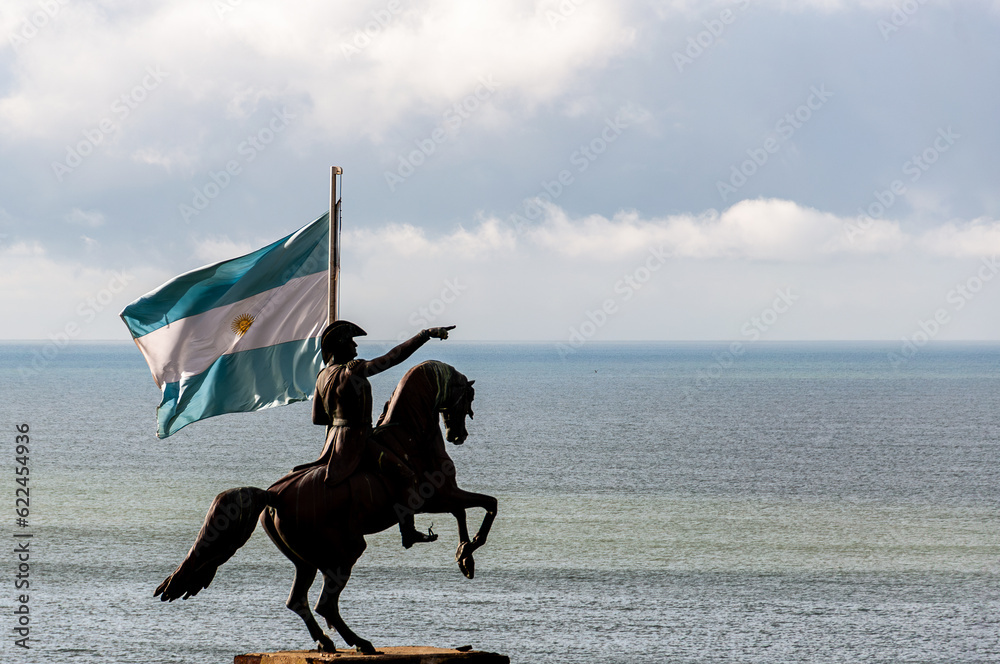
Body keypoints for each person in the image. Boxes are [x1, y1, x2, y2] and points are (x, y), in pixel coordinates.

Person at [308, 320, 455, 548]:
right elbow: (393, 357)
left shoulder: (322, 376)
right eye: (350, 342)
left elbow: (318, 419)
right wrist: (424, 335)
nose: (355, 346)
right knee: (406, 476)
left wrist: (339, 415)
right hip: (359, 441)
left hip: (332, 443)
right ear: (340, 346)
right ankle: (408, 532)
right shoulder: (353, 369)